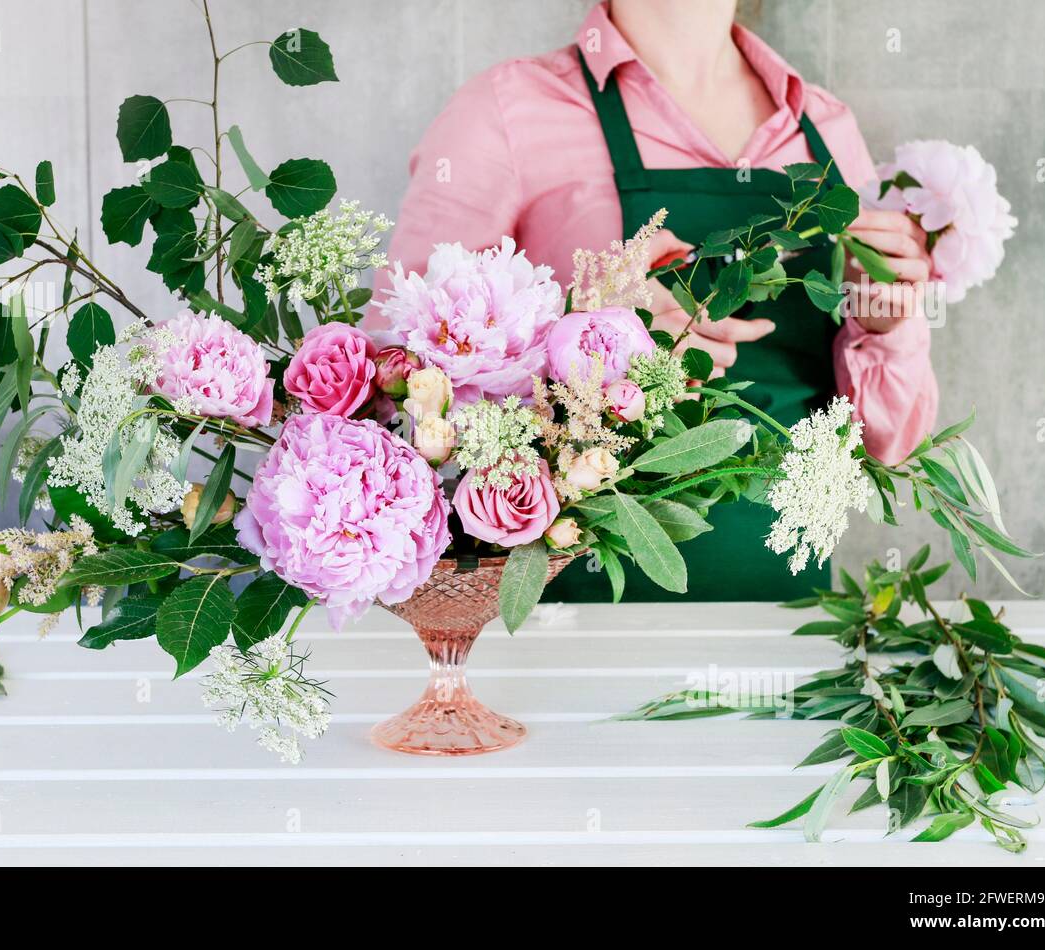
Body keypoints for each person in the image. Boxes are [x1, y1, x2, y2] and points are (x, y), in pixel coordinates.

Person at [376, 0, 938, 601]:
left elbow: (888, 445)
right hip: (581, 614)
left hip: (793, 620)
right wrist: (597, 333)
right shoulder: (506, 111)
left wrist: (884, 325)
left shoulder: (826, 129)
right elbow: (396, 391)